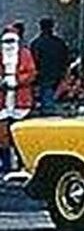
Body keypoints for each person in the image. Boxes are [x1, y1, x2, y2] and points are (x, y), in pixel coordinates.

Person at [0, 24, 36, 173]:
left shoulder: (25, 54)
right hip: (2, 101)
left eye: (11, 42)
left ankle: (23, 165)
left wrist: (17, 81)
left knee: (20, 134)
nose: (9, 45)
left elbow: (32, 72)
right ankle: (6, 166)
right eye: (6, 42)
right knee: (2, 136)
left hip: (20, 100)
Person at [29, 19, 70, 117]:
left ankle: (48, 111)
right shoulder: (59, 43)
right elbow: (65, 57)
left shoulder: (36, 43)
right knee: (52, 93)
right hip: (58, 72)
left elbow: (34, 59)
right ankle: (51, 109)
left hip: (43, 73)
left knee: (46, 94)